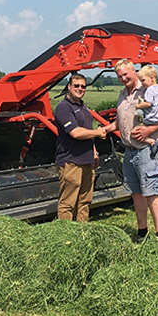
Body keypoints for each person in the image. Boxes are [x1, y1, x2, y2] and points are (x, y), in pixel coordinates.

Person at [103, 59, 158, 242]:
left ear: (134, 71)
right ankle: (142, 232)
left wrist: (149, 130)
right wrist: (105, 129)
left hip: (147, 149)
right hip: (129, 151)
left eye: (125, 74)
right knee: (136, 192)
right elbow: (121, 120)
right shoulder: (123, 94)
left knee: (151, 192)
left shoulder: (149, 89)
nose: (123, 78)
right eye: (119, 76)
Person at [54, 73, 106, 221]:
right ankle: (66, 231)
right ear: (69, 87)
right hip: (71, 161)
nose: (80, 89)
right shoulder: (64, 108)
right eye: (76, 85)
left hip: (87, 160)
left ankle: (82, 229)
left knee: (85, 200)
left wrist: (94, 152)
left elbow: (87, 130)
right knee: (68, 202)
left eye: (83, 86)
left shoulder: (83, 107)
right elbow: (75, 133)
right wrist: (98, 132)